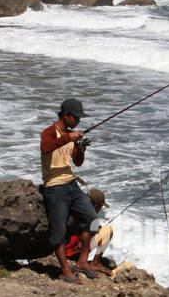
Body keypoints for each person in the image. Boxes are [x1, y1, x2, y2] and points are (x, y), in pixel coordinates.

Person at [40, 98, 100, 282]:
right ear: (66, 115)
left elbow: (77, 162)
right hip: (54, 187)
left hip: (71, 184)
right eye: (76, 117)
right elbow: (46, 148)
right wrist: (68, 138)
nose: (78, 121)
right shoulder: (49, 133)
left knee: (92, 220)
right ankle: (66, 271)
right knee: (58, 231)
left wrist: (80, 149)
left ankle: (82, 262)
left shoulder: (71, 135)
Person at [64, 188, 116, 275]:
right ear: (96, 206)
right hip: (76, 251)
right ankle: (95, 263)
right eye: (101, 206)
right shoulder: (90, 217)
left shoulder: (76, 209)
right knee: (108, 230)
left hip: (65, 250)